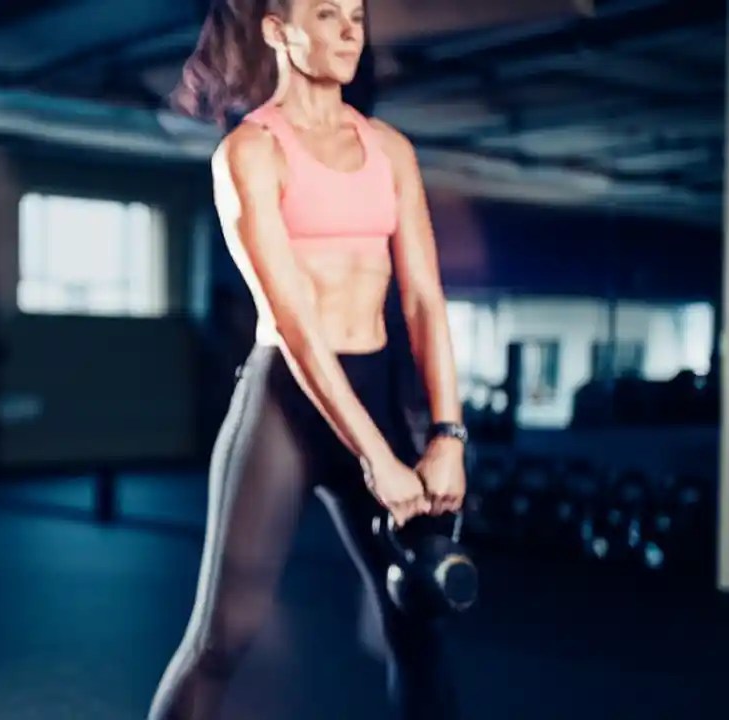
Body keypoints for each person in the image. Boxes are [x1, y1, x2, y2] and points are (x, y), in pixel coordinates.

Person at [148, 1, 468, 718]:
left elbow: (424, 300)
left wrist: (448, 436)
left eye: (355, 13)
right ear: (278, 30)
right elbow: (294, 325)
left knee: (421, 621)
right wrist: (377, 456)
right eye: (327, 13)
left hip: (380, 388)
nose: (351, 29)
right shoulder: (250, 153)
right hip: (285, 405)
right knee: (222, 638)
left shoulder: (391, 150)